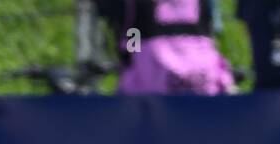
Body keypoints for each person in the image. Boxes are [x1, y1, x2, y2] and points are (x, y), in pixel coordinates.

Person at [95, 0, 235, 94]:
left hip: (149, 82)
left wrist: (131, 55)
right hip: (202, 76)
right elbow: (210, 30)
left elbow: (131, 28)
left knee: (133, 28)